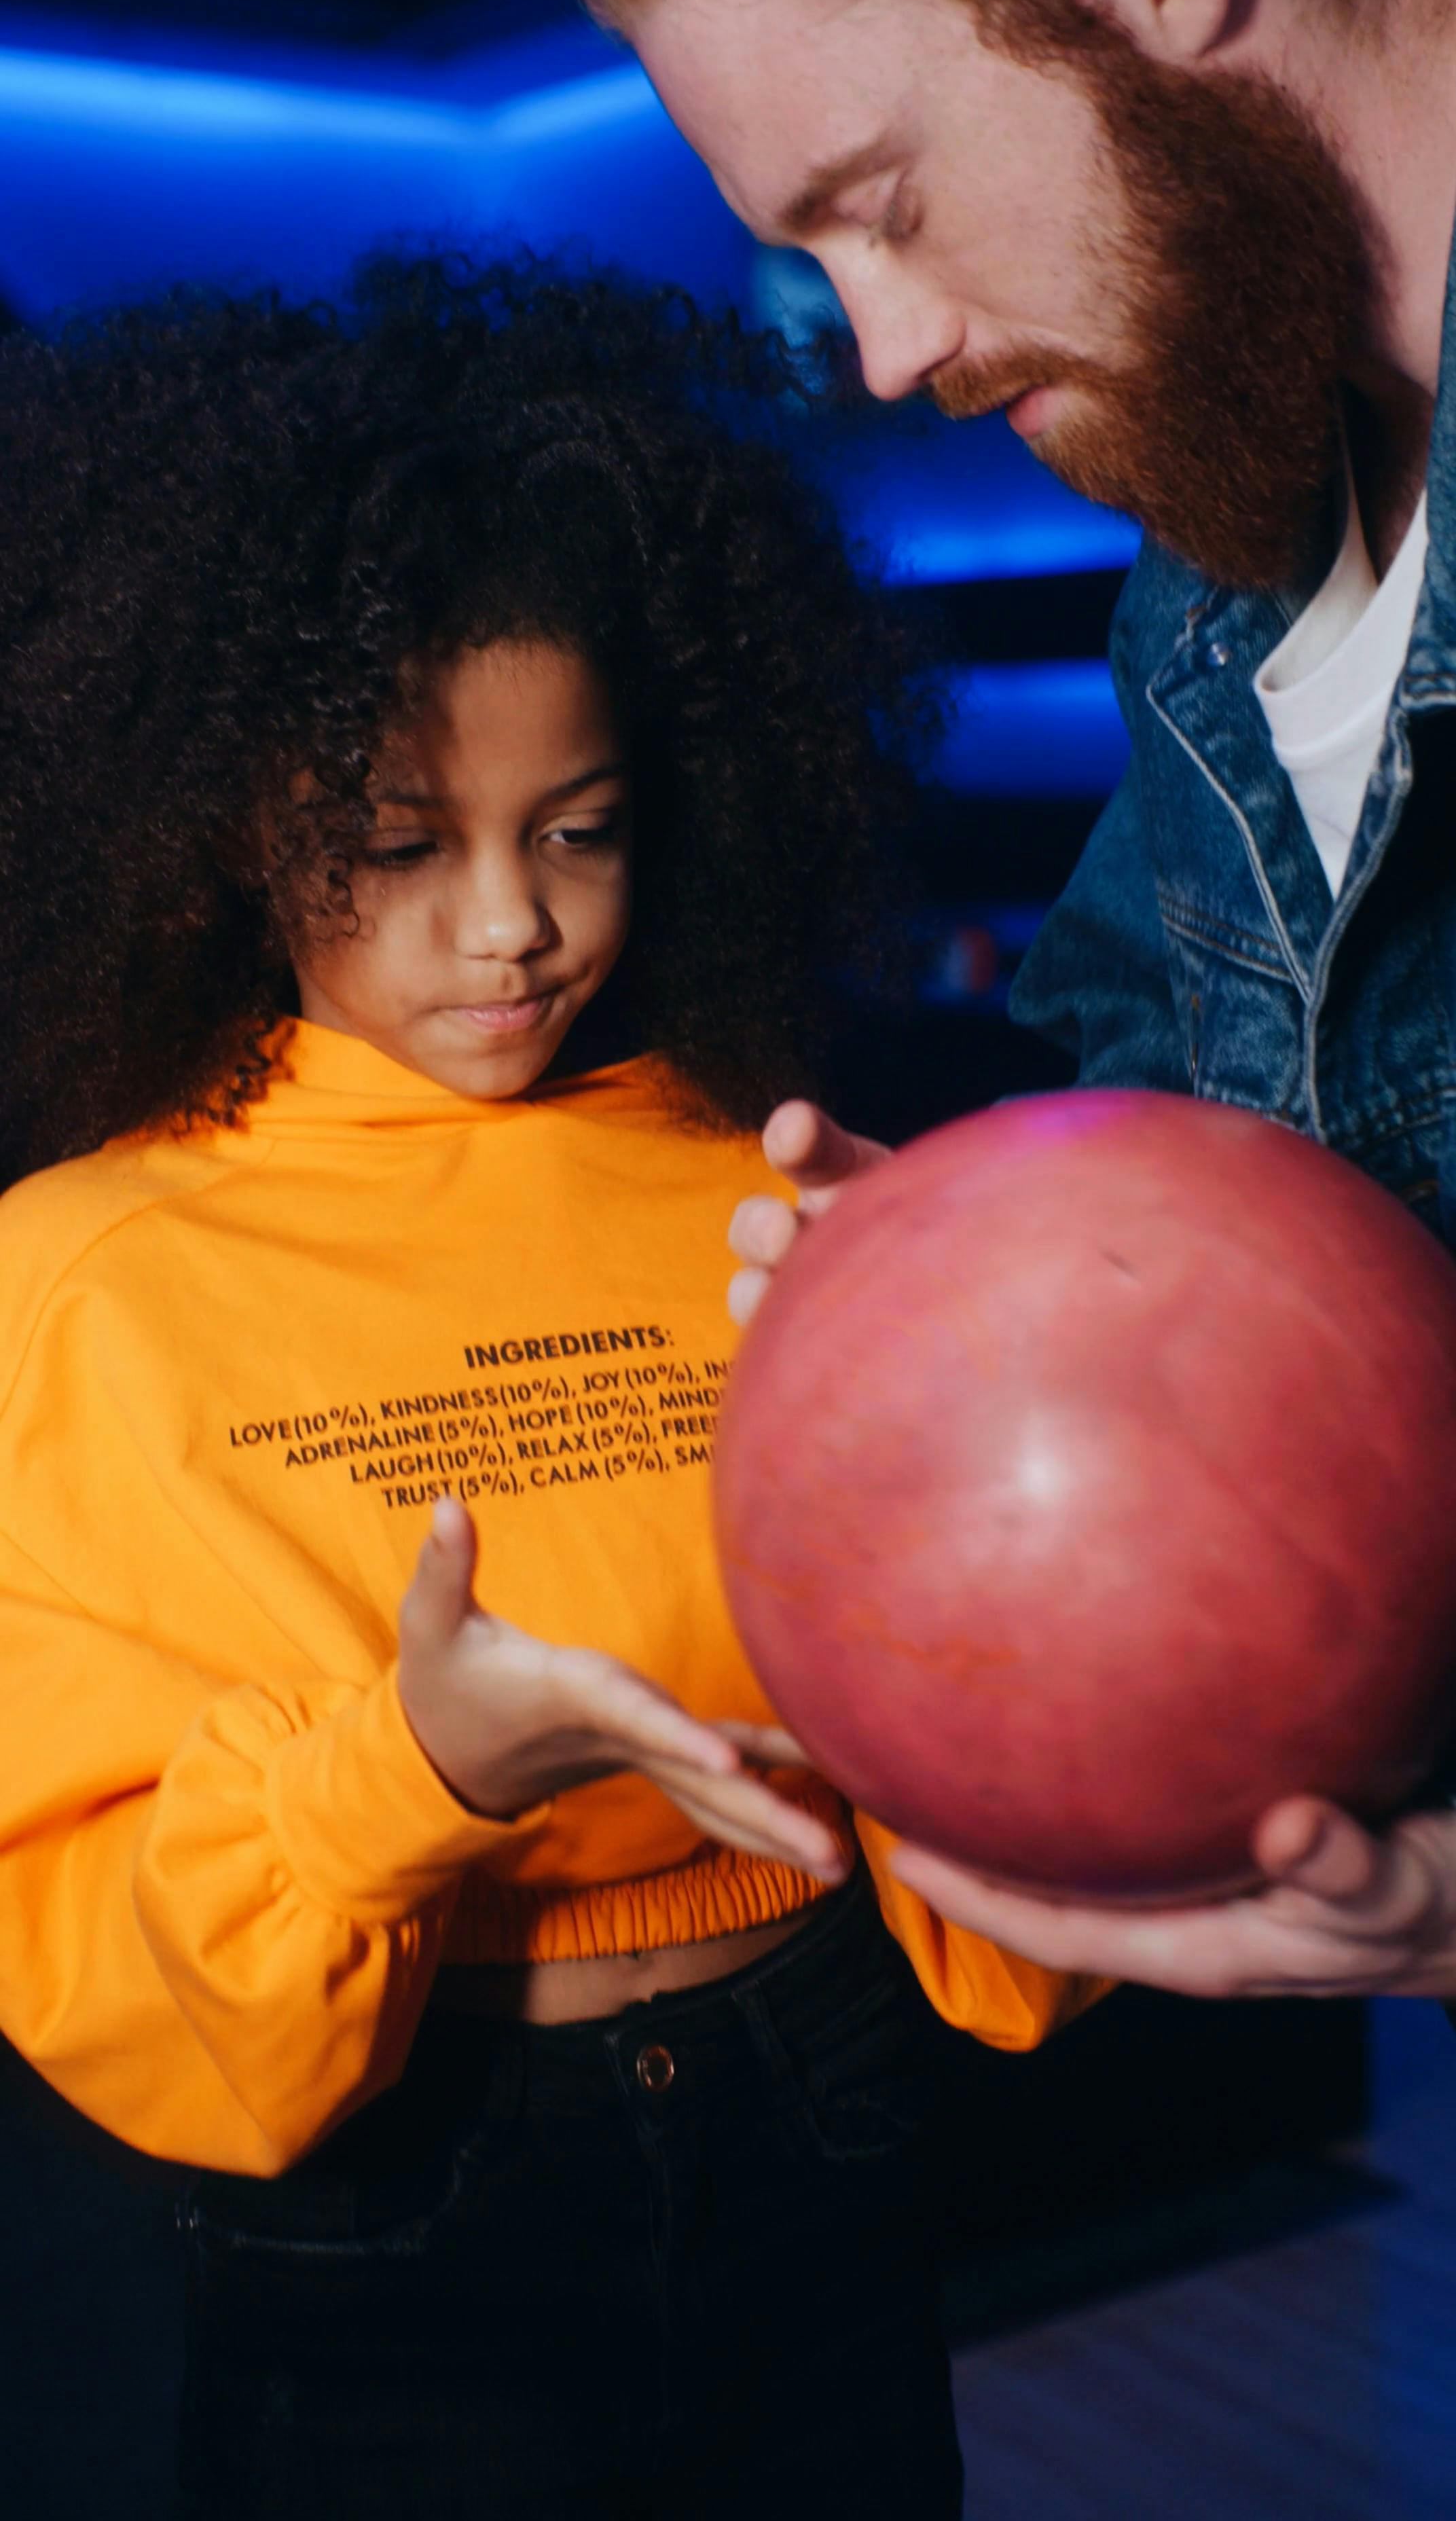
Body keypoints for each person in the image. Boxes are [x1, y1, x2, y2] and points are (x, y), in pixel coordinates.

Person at [0, 253, 1104, 2517]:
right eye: (401, 847)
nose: (508, 928)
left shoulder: (756, 1172)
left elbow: (988, 1746)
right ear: (218, 819)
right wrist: (411, 1765)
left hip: (820, 2117)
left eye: (576, 829)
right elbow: (90, 1948)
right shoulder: (76, 1278)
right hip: (389, 2204)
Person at [571, 0, 1456, 2008]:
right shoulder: (1214, 597)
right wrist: (994, 1282)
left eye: (880, 205)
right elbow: (1183, 1163)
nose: (881, 352)